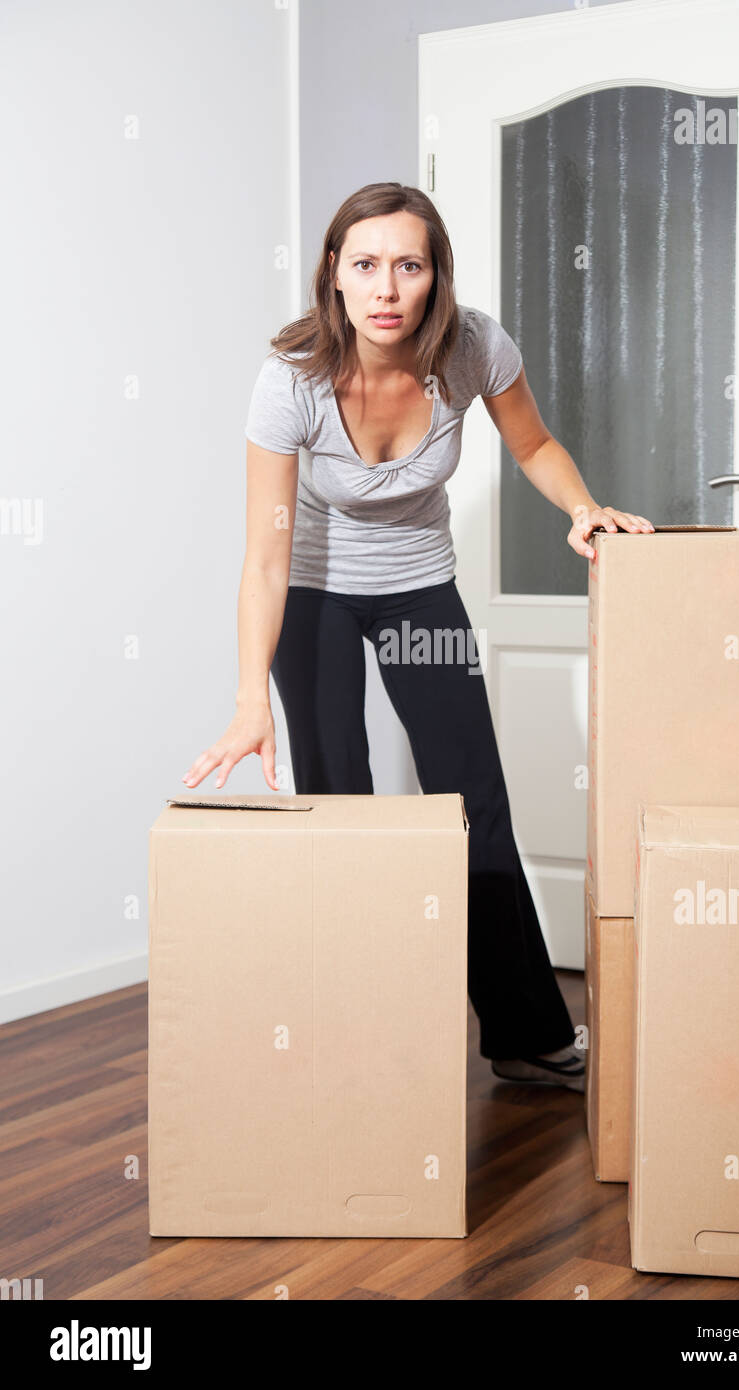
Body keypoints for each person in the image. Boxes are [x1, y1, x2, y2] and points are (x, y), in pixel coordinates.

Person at [182, 181, 655, 1094]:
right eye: (365, 265)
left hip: (416, 593)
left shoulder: (473, 347)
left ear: (437, 275)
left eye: (409, 264)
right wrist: (250, 700)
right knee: (342, 807)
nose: (386, 287)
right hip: (313, 597)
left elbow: (534, 446)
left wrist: (584, 508)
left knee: (474, 798)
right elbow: (267, 559)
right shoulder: (290, 380)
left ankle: (526, 1036)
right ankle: (359, 1034)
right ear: (335, 274)